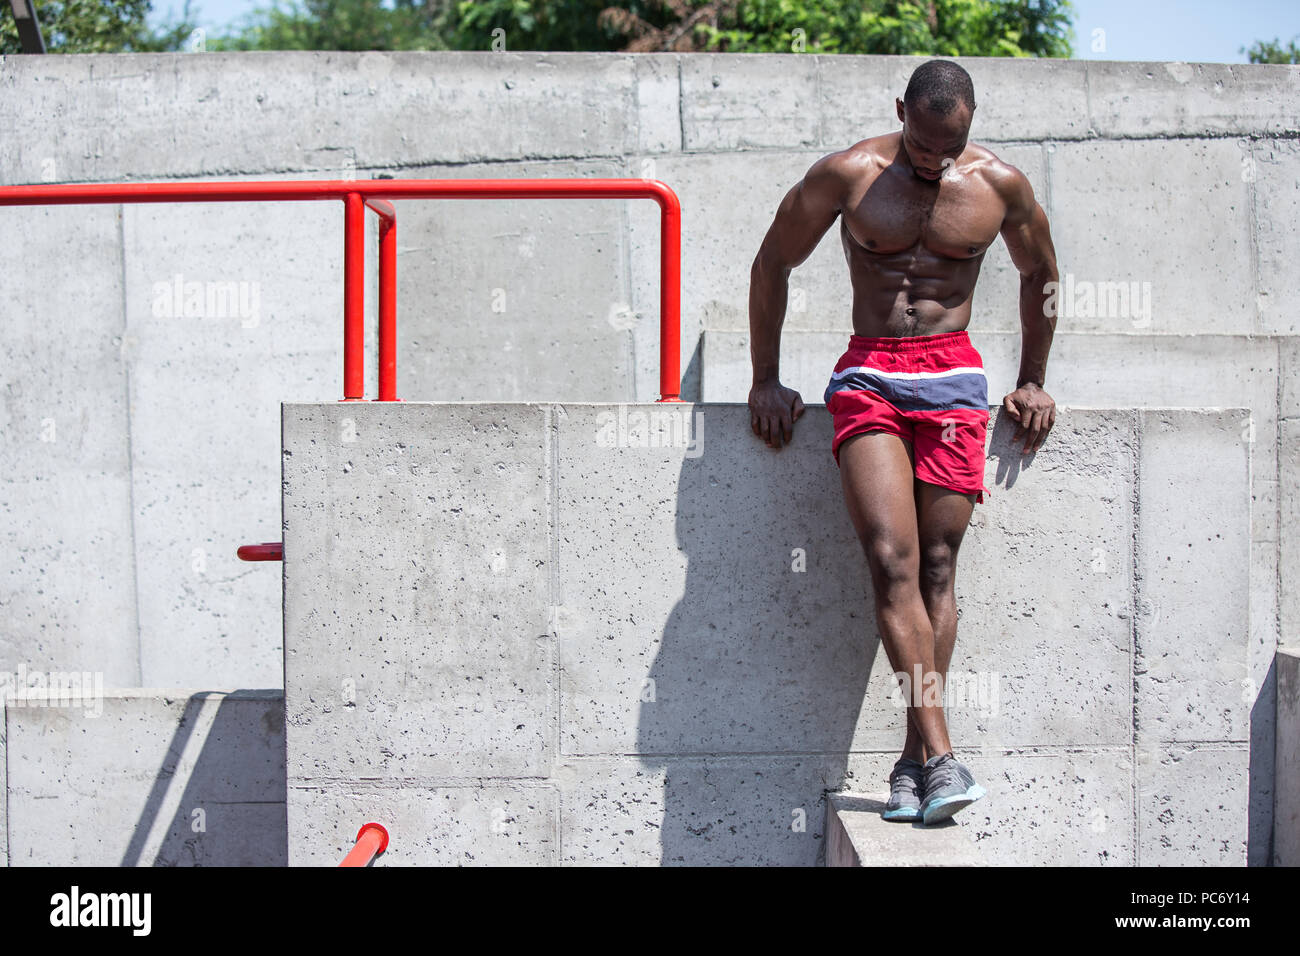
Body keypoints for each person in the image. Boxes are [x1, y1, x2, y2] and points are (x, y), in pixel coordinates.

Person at [747, 59, 1059, 825]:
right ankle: (945, 755)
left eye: (949, 148)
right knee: (893, 559)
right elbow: (773, 261)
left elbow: (1041, 276)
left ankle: (914, 764)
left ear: (969, 129)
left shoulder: (1001, 185)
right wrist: (765, 376)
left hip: (953, 379)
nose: (934, 162)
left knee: (940, 567)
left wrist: (1033, 378)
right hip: (870, 375)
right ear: (901, 114)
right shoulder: (849, 174)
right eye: (922, 146)